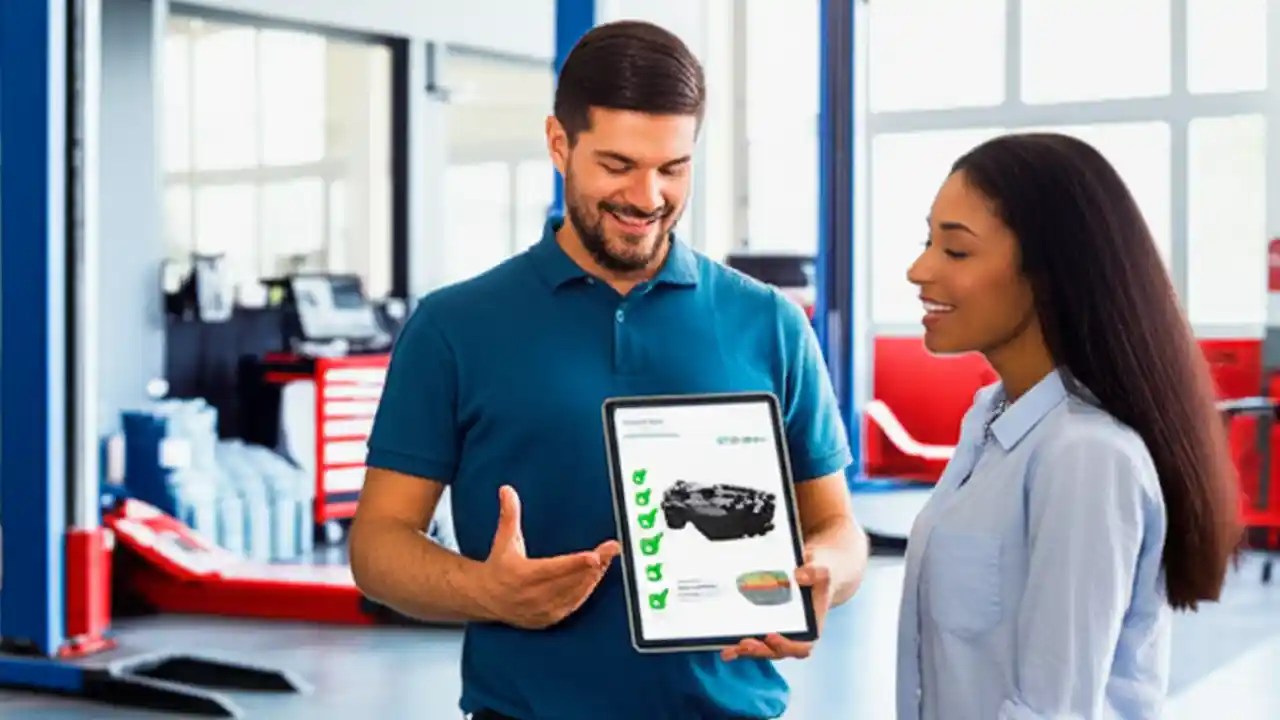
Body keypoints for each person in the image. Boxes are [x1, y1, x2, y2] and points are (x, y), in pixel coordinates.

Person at [348, 19, 869, 720]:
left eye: (673, 168)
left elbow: (839, 525)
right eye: (618, 166)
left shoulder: (769, 321)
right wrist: (486, 591)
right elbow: (378, 544)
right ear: (559, 145)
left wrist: (826, 574)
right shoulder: (453, 327)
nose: (647, 198)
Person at [896, 132, 1243, 719]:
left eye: (955, 251)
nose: (917, 269)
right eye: (928, 240)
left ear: (1048, 271)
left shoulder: (1084, 456)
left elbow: (1053, 710)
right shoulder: (990, 419)